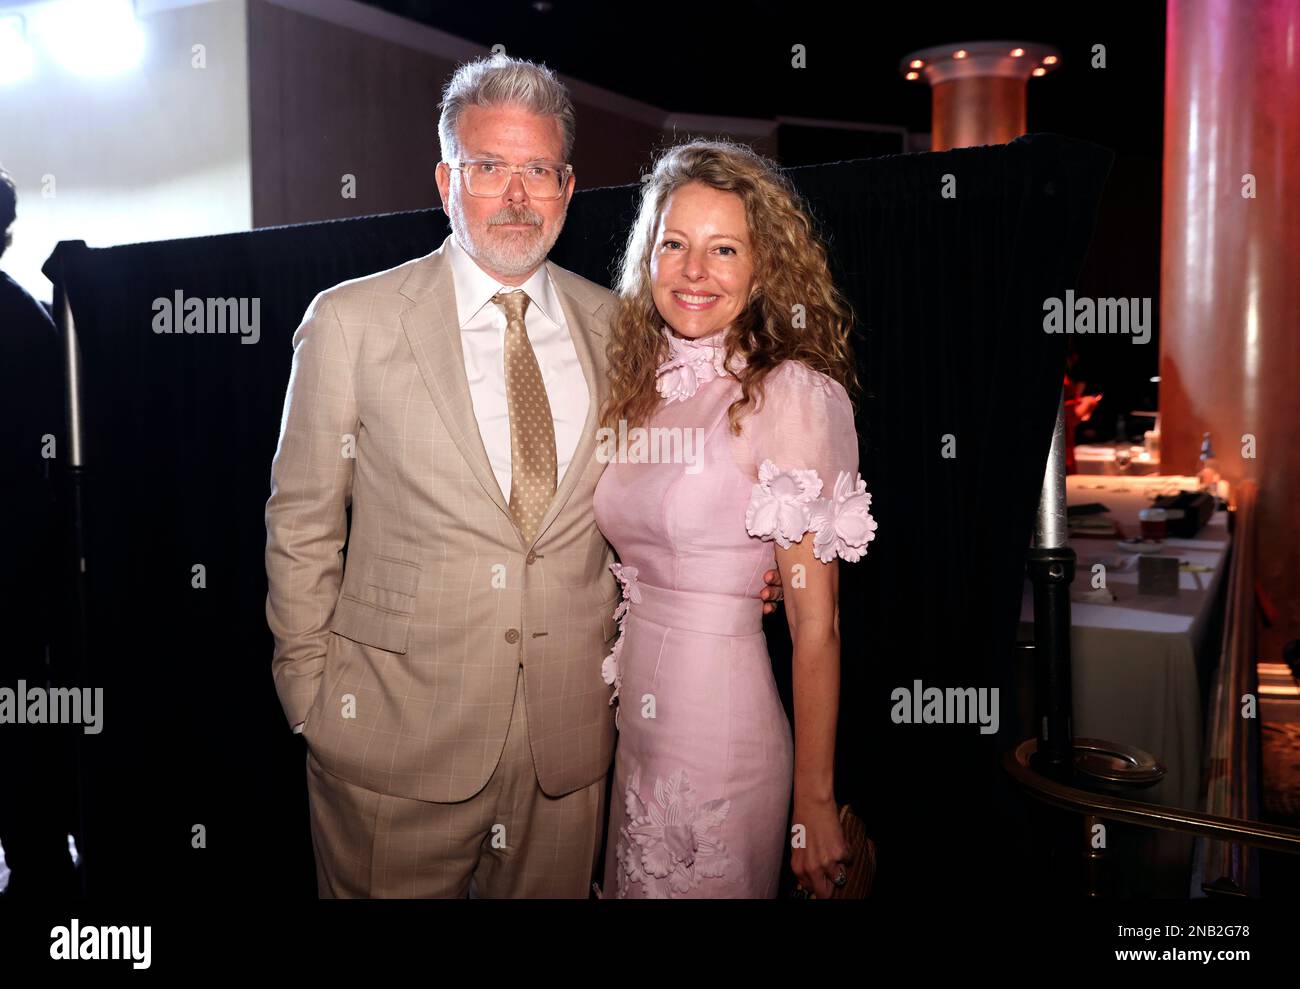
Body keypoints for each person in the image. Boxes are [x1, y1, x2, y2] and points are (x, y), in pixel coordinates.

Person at [265, 56, 780, 898]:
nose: (515, 195)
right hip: (389, 746)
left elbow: (673, 487)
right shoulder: (349, 322)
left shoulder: (621, 329)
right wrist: (311, 699)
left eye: (537, 169)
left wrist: (740, 564)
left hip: (568, 754)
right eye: (488, 167)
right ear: (445, 179)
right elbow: (301, 526)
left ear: (568, 185)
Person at [593, 140, 878, 898]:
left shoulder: (793, 393)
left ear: (764, 268)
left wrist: (813, 802)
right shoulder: (640, 384)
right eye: (674, 245)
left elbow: (817, 626)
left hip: (722, 733)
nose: (693, 272)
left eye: (724, 249)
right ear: (647, 258)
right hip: (637, 732)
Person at [0, 166, 78, 897]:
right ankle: (38, 860)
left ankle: (36, 859)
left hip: (18, 561)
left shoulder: (27, 323)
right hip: (22, 561)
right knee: (23, 714)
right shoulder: (30, 321)